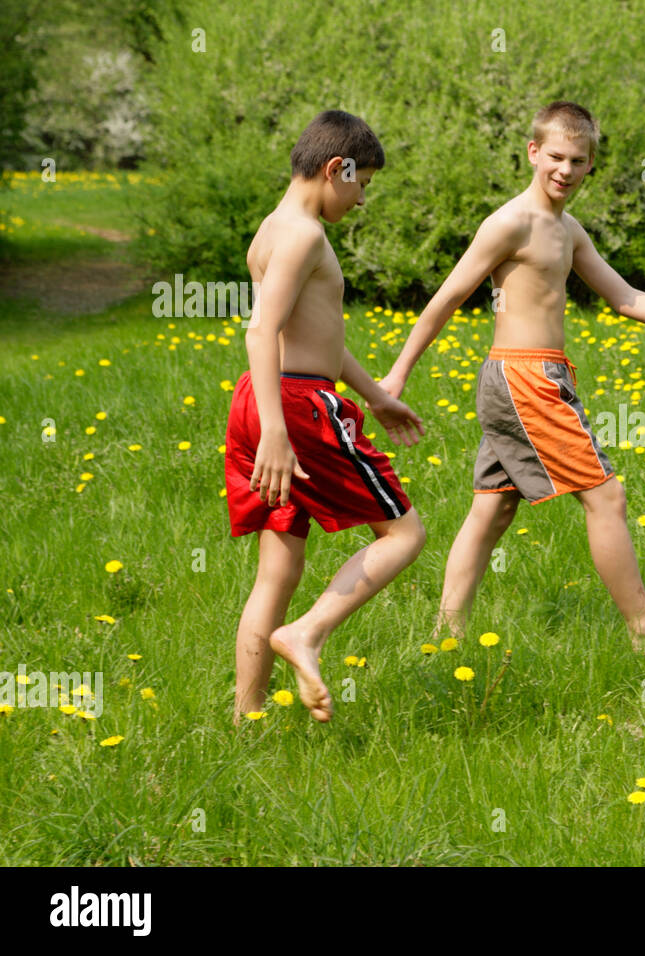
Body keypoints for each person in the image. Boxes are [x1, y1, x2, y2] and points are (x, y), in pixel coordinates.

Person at [380, 101, 645, 653]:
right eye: (555, 156)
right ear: (533, 152)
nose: (565, 170)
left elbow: (624, 297)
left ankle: (447, 632)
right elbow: (448, 297)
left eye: (578, 161)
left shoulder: (567, 229)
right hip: (524, 381)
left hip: (534, 379)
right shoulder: (511, 222)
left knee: (493, 507)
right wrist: (397, 376)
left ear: (590, 165)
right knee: (607, 497)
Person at [226, 110, 426, 722]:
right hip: (296, 408)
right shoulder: (306, 235)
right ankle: (306, 634)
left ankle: (246, 718)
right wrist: (281, 435)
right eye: (362, 182)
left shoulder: (273, 228)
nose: (362, 198)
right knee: (406, 533)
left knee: (278, 570)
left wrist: (376, 394)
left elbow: (317, 338)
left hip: (261, 403)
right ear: (336, 169)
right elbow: (261, 329)